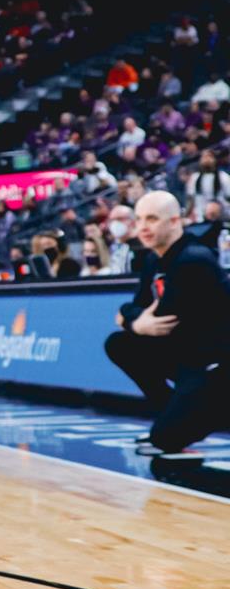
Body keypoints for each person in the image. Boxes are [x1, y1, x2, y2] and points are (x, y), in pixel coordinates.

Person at [104, 192, 230, 457]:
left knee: (164, 440)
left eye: (152, 219)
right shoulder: (154, 259)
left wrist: (131, 319)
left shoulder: (194, 259)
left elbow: (164, 317)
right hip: (186, 354)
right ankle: (172, 414)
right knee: (119, 344)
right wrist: (134, 320)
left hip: (214, 365)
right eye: (138, 220)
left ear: (174, 221)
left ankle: (202, 415)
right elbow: (135, 307)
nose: (143, 227)